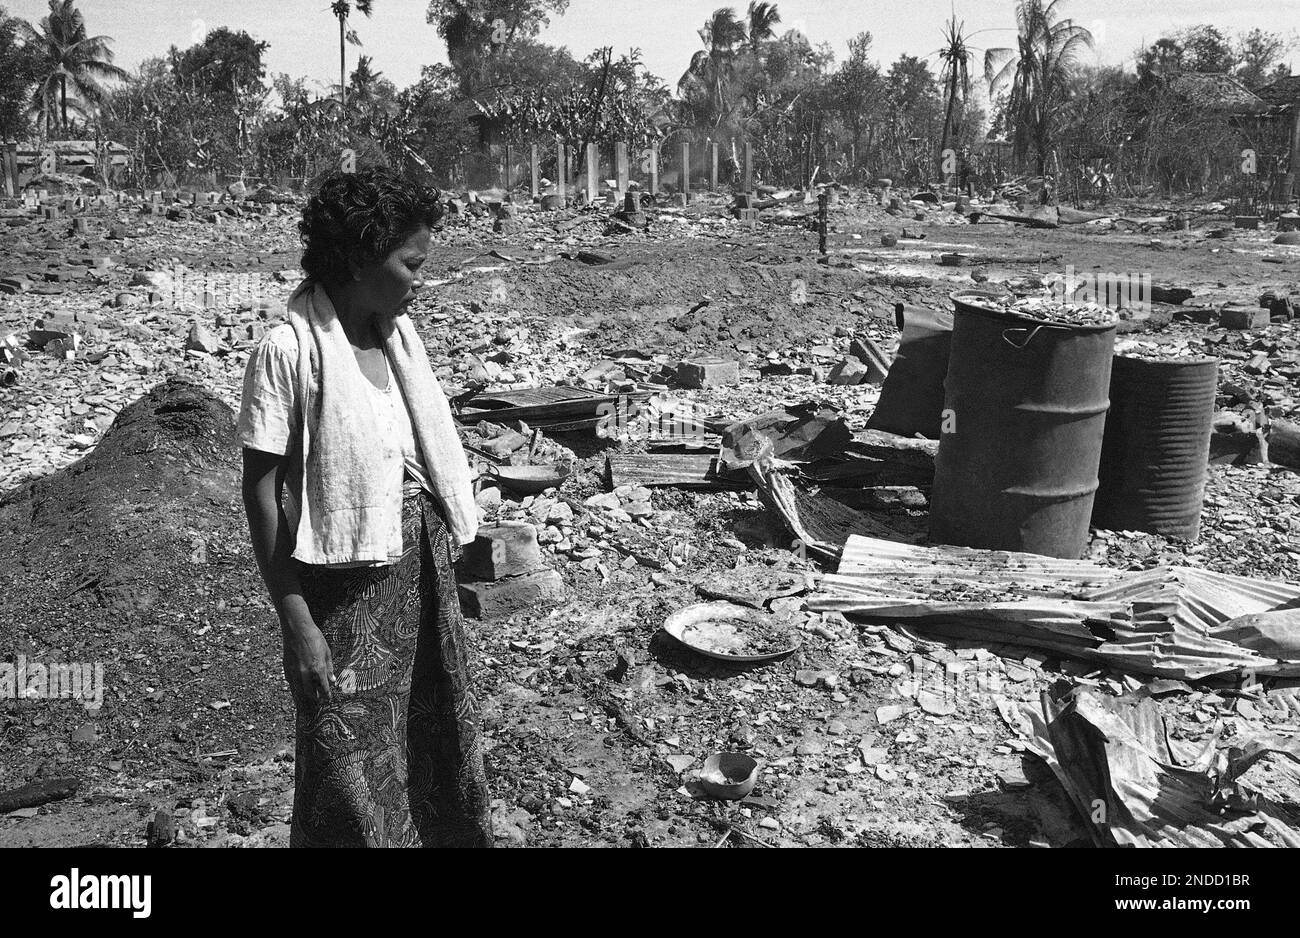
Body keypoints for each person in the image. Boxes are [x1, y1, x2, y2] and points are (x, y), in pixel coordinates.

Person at [238, 167, 491, 847]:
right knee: (346, 771)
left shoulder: (398, 339)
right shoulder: (289, 351)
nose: (420, 280)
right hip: (346, 598)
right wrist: (298, 625)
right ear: (357, 259)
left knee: (433, 747)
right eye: (411, 263)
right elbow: (260, 492)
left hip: (422, 574)